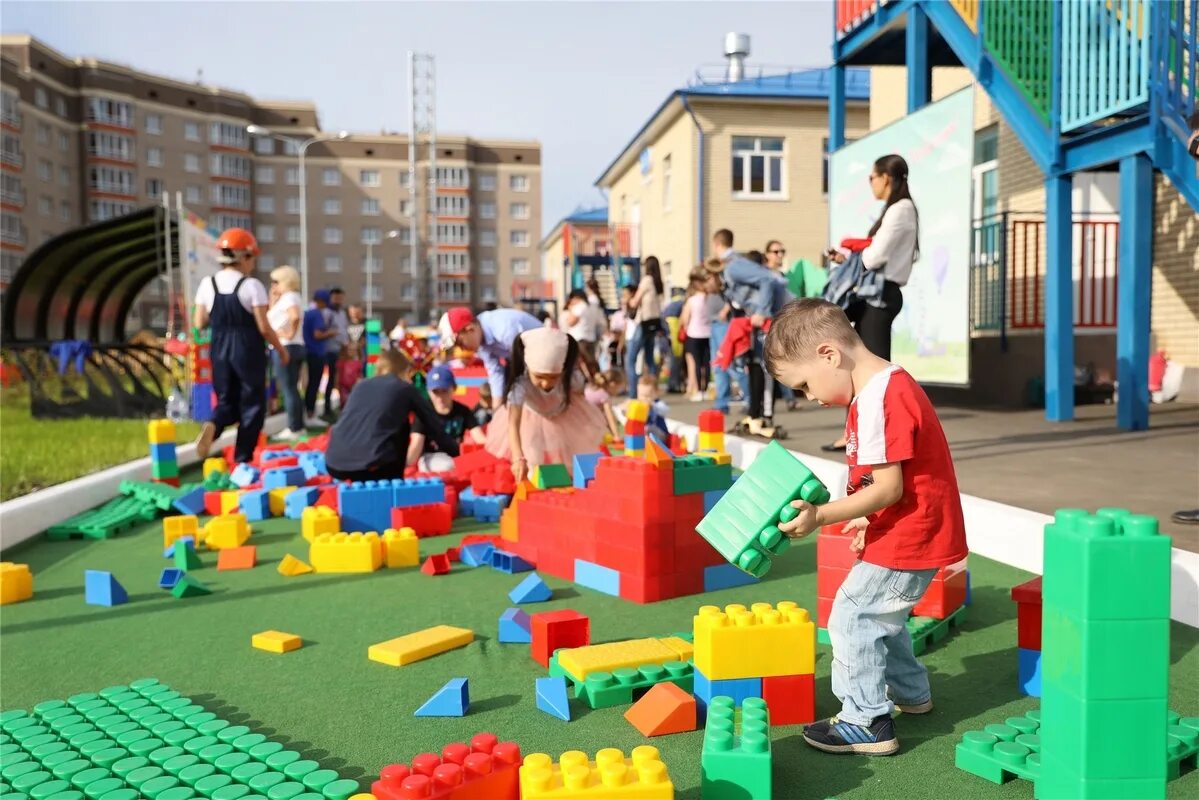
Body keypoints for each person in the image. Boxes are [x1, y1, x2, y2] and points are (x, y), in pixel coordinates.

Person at [764, 298, 967, 756]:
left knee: (854, 615)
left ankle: (865, 720)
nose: (809, 397)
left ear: (828, 354)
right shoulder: (882, 388)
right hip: (911, 527)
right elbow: (889, 481)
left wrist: (822, 516)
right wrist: (863, 516)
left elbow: (889, 488)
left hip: (911, 533)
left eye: (804, 385)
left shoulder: (878, 397)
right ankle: (911, 694)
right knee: (884, 618)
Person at [823, 154, 920, 452]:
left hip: (880, 295)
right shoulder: (895, 209)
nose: (871, 183)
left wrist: (855, 254)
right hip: (874, 295)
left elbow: (875, 257)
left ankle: (878, 440)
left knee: (873, 371)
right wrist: (850, 257)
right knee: (861, 365)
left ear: (886, 178)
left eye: (871, 177)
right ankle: (859, 435)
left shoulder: (901, 209)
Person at [192, 228, 287, 462]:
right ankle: (243, 457)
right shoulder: (251, 285)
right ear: (243, 256)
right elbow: (264, 327)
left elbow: (199, 322)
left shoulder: (207, 284)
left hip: (219, 345)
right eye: (252, 258)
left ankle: (214, 424)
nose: (253, 264)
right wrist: (282, 350)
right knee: (252, 403)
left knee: (226, 399)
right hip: (247, 347)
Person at [484, 327, 608, 481]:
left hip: (564, 418)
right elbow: (513, 424)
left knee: (569, 459)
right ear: (528, 368)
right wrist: (518, 458)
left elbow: (580, 401)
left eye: (553, 377)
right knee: (533, 462)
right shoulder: (520, 387)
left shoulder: (571, 379)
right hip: (530, 423)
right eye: (539, 376)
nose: (546, 383)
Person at [325, 350, 458, 481]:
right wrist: (456, 453)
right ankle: (394, 479)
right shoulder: (404, 388)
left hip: (334, 463)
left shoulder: (360, 386)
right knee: (403, 425)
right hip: (375, 467)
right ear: (404, 371)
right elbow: (433, 426)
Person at [709, 229, 787, 429]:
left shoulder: (733, 266)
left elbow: (767, 280)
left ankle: (766, 416)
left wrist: (762, 311)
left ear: (717, 246)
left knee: (765, 367)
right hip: (755, 320)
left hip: (769, 319)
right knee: (753, 365)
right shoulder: (731, 267)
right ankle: (755, 414)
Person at [437, 306, 542, 409]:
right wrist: (496, 409)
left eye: (460, 343)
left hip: (543, 357)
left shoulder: (503, 329)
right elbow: (495, 372)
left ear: (469, 329)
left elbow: (530, 364)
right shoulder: (481, 340)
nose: (461, 349)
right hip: (528, 360)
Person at [406, 364, 487, 472]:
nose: (440, 397)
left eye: (444, 391)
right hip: (431, 458)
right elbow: (416, 444)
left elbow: (479, 437)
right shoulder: (423, 412)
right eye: (435, 392)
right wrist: (404, 466)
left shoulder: (463, 411)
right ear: (429, 392)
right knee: (447, 465)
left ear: (453, 388)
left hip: (456, 458)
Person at [266, 266, 306, 440]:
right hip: (294, 345)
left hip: (286, 345)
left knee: (289, 389)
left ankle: (294, 428)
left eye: (276, 281)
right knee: (292, 389)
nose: (273, 285)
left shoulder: (289, 297)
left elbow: (294, 316)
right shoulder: (290, 297)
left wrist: (288, 333)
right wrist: (273, 299)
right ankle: (297, 425)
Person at [625, 256, 664, 390]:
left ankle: (633, 392)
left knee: (630, 359)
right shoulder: (658, 283)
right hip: (654, 323)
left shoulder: (646, 280)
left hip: (643, 323)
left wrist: (627, 301)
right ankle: (652, 390)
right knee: (649, 358)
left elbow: (635, 301)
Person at [678, 267, 713, 402]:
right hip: (708, 333)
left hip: (694, 333)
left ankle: (698, 390)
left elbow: (685, 319)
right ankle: (705, 389)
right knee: (707, 363)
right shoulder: (709, 299)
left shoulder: (692, 300)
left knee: (696, 363)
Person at [301, 290, 335, 428]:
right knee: (314, 384)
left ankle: (308, 412)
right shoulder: (316, 314)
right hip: (316, 352)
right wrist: (331, 333)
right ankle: (311, 414)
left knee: (311, 384)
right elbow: (317, 334)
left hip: (309, 351)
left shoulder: (308, 312)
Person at [322, 287, 350, 416]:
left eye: (340, 298)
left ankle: (342, 403)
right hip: (330, 350)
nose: (338, 300)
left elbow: (344, 330)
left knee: (343, 379)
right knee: (331, 378)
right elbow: (323, 331)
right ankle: (327, 407)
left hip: (342, 351)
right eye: (335, 298)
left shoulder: (342, 313)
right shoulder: (327, 313)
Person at [560, 289, 605, 366]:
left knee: (580, 365)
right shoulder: (593, 307)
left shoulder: (579, 306)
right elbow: (600, 323)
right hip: (591, 339)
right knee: (590, 363)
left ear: (575, 298)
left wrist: (571, 310)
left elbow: (570, 322)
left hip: (578, 339)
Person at [585, 368, 627, 439]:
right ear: (613, 385)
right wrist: (616, 435)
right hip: (587, 417)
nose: (619, 392)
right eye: (619, 389)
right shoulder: (604, 395)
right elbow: (610, 417)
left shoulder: (591, 387)